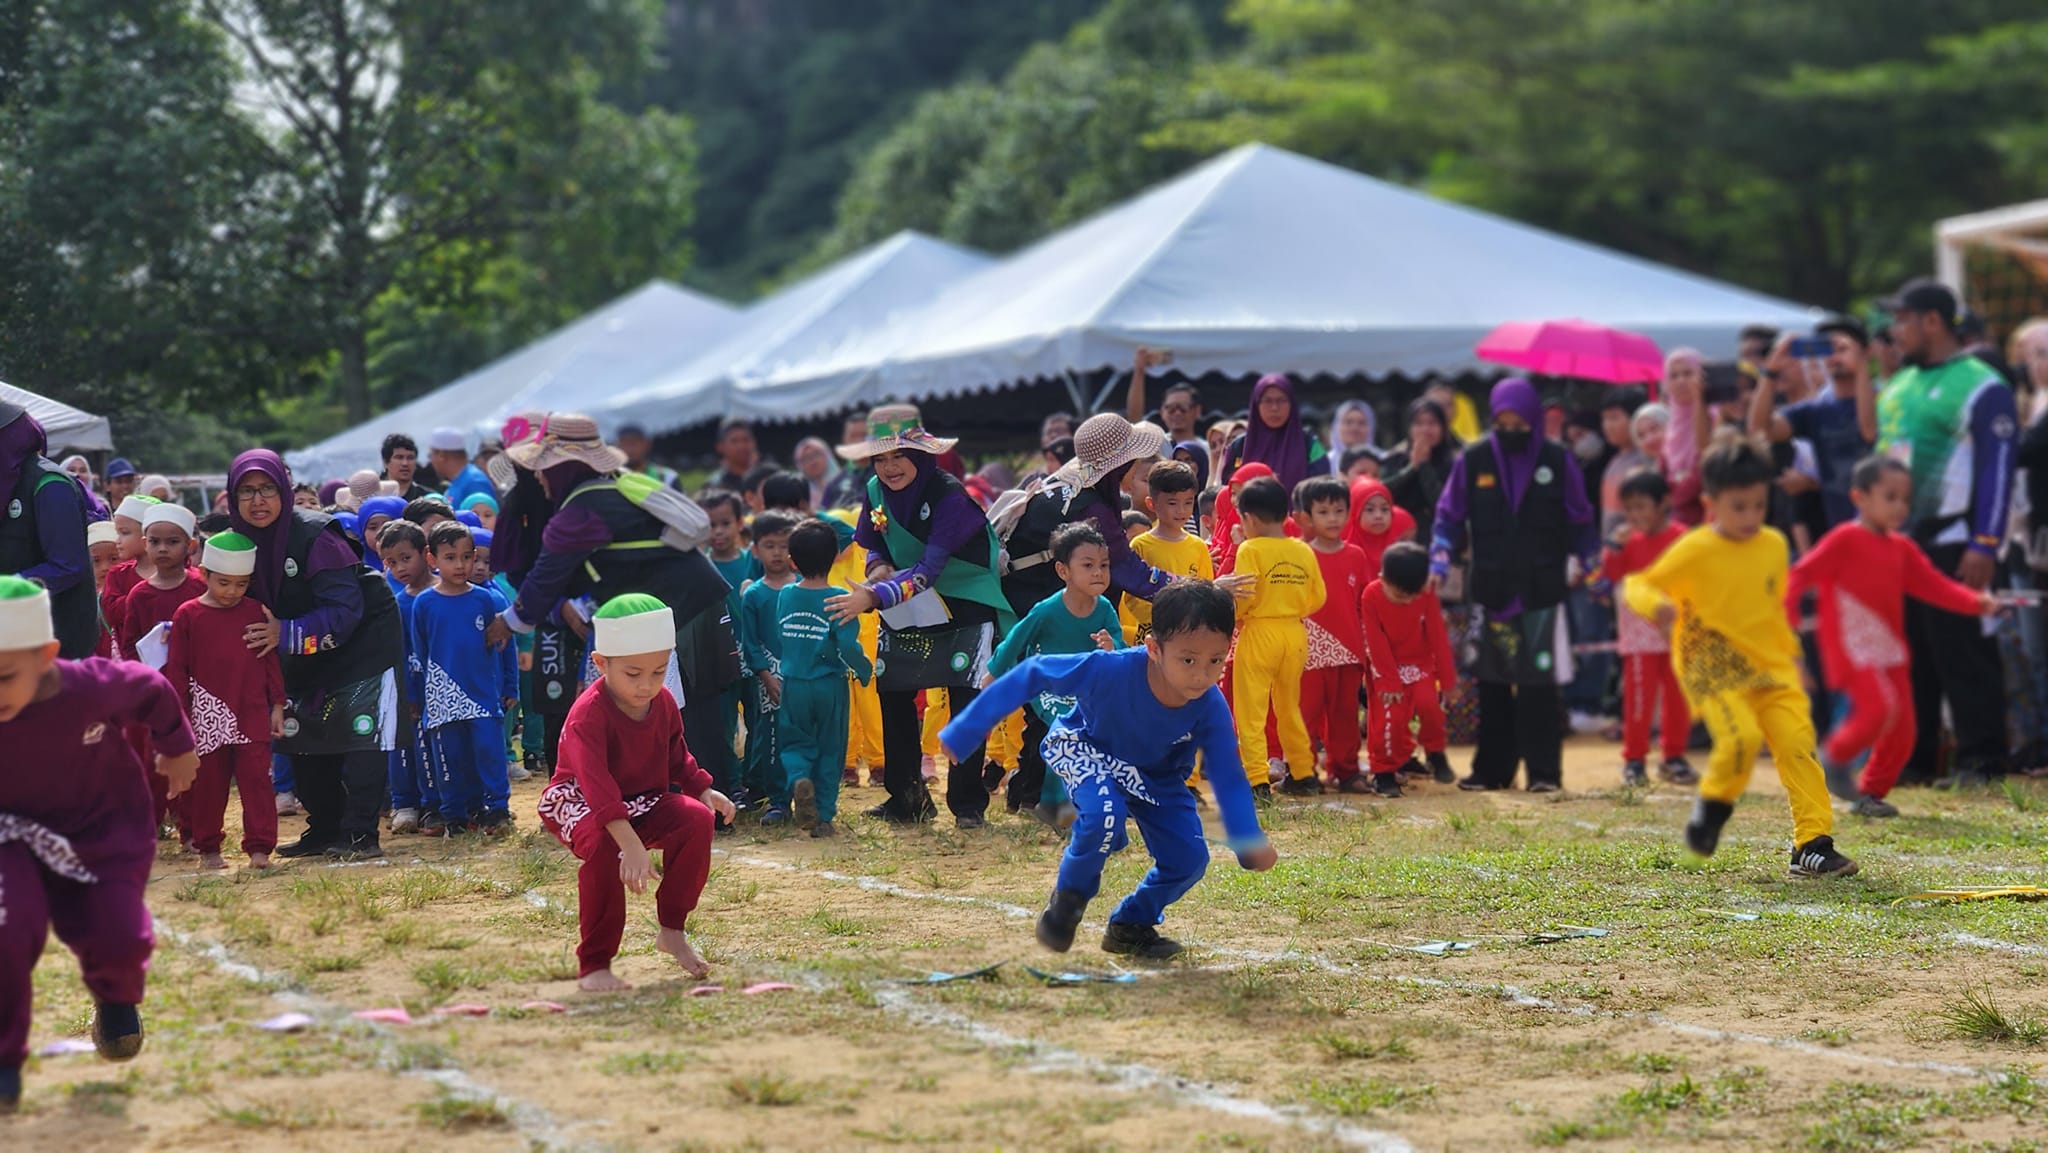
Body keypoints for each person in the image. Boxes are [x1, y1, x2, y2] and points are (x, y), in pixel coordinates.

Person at [939, 581, 1277, 960]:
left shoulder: (1211, 707)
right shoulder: (1109, 668)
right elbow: (1034, 672)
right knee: (1103, 816)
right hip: (1086, 746)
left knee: (1190, 860)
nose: (1202, 674)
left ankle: (1130, 925)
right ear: (1153, 649)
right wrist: (967, 727)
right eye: (1188, 660)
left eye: (1215, 661)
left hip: (1154, 776)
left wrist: (1248, 839)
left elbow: (1228, 776)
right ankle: (1069, 900)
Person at [0, 575, 198, 1110]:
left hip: (100, 827)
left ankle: (116, 999)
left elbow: (152, 688)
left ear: (45, 656)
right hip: (8, 834)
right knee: (6, 932)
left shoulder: (89, 687)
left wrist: (177, 745)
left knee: (117, 932)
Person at [1622, 438, 1858, 878]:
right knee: (1741, 740)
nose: (1751, 517)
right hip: (1712, 666)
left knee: (1798, 742)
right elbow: (1640, 584)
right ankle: (1712, 809)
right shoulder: (1696, 548)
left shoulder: (1772, 544)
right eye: (1739, 507)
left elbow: (1772, 607)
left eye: (1758, 505)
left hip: (1770, 665)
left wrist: (1794, 656)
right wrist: (1657, 607)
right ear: (1711, 504)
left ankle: (1812, 844)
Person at [487, 414, 735, 794]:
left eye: (544, 467)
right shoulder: (613, 490)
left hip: (679, 608)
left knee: (680, 709)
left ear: (565, 467)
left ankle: (696, 801)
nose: (538, 476)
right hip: (692, 600)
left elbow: (544, 581)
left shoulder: (579, 513)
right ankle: (709, 797)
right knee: (692, 708)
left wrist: (508, 622)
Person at [827, 405, 1014, 828]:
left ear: (922, 454)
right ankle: (907, 798)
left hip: (965, 601)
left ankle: (967, 805)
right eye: (881, 457)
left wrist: (875, 596)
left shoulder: (950, 498)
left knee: (965, 702)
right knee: (893, 693)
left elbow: (930, 570)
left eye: (899, 455)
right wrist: (877, 568)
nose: (889, 467)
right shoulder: (875, 491)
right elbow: (873, 542)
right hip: (906, 603)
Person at [536, 595, 734, 991]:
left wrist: (703, 789)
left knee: (695, 819)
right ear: (601, 664)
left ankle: (672, 930)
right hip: (580, 801)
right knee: (606, 851)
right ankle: (594, 966)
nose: (646, 685)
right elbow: (595, 785)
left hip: (639, 798)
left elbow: (677, 754)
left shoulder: (662, 702)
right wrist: (629, 843)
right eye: (633, 674)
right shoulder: (587, 714)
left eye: (659, 672)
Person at [1788, 458, 1997, 817]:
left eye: (1905, 499)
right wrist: (1787, 625)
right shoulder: (1844, 539)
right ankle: (1835, 757)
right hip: (1852, 649)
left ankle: (1868, 793)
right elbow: (1798, 577)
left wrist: (1976, 603)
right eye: (1890, 497)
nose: (1900, 507)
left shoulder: (1902, 548)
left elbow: (1936, 587)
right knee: (1878, 708)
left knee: (1903, 732)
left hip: (1891, 650)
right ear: (1860, 497)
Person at [227, 449, 403, 861]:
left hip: (363, 643)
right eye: (247, 492)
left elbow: (345, 611)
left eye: (268, 489)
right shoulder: (235, 545)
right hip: (296, 647)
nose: (258, 501)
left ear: (285, 491)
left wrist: (284, 633)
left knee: (361, 735)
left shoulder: (316, 533)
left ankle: (361, 834)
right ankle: (324, 829)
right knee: (301, 739)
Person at [1877, 279, 2018, 790]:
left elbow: (1997, 469)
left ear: (1931, 321)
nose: (1894, 332)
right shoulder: (1896, 386)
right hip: (1902, 545)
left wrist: (1985, 542)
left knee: (1965, 656)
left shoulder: (1982, 385)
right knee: (1911, 656)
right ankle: (1916, 761)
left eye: (1902, 320)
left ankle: (1982, 761)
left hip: (1958, 543)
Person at [1432, 378, 1594, 794]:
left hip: (1541, 591)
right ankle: (1492, 771)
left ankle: (1543, 773)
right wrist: (1441, 553)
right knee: (1493, 682)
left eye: (1517, 421)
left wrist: (1593, 564)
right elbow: (1448, 517)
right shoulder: (1475, 459)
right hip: (1493, 589)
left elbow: (1580, 520)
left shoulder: (1558, 461)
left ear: (1533, 420)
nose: (1509, 429)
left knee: (1540, 685)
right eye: (1501, 421)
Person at [987, 523, 1125, 826]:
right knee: (1046, 736)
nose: (1099, 573)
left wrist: (1111, 646)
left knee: (1088, 740)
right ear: (1063, 571)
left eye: (1103, 565)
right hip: (1045, 685)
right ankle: (1026, 793)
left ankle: (1074, 800)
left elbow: (1120, 650)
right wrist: (993, 673)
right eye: (1088, 566)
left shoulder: (1104, 609)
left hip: (1083, 690)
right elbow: (1016, 640)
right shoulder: (1047, 609)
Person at [161, 532, 283, 870]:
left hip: (251, 712)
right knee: (208, 787)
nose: (232, 591)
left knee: (257, 783)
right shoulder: (188, 614)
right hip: (205, 716)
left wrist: (277, 705)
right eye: (224, 583)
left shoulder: (256, 612)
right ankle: (209, 848)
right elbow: (177, 668)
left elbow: (269, 660)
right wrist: (180, 715)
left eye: (241, 584)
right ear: (204, 575)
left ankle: (260, 848)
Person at [412, 523, 519, 834]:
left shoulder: (485, 600)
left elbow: (503, 645)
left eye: (466, 557)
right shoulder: (424, 603)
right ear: (432, 559)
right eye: (450, 557)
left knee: (490, 753)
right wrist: (418, 697)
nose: (460, 565)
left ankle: (497, 810)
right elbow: (420, 654)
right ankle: (455, 816)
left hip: (482, 694)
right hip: (442, 699)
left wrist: (509, 685)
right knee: (450, 757)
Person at [775, 520, 873, 838]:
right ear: (835, 558)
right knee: (831, 748)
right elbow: (846, 645)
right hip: (829, 685)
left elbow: (781, 634)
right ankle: (824, 817)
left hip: (793, 683)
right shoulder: (840, 598)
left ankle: (800, 777)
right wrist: (863, 669)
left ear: (792, 561)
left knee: (794, 741)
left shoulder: (786, 596)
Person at [1231, 476, 1326, 794]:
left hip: (1260, 632)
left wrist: (1237, 616)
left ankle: (1257, 780)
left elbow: (1243, 594)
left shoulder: (1250, 548)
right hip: (1294, 634)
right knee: (1289, 707)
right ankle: (1302, 772)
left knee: (1251, 710)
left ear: (1250, 518)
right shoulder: (1302, 549)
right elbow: (1319, 596)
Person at [1599, 470, 1694, 788]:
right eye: (1629, 509)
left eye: (1642, 506)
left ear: (1663, 503)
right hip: (1640, 633)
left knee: (1678, 698)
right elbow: (1609, 574)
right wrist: (1613, 546)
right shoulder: (1627, 541)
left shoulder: (1681, 536)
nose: (1635, 515)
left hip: (1677, 628)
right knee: (1639, 698)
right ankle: (1635, 759)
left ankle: (1674, 757)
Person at [1750, 319, 1877, 530]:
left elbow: (1869, 432)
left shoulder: (1889, 400)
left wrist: (1861, 367)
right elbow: (1760, 430)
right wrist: (1771, 372)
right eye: (1828, 348)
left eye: (1843, 348)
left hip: (1885, 528)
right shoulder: (1815, 409)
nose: (1835, 356)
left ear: (1866, 352)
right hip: (1837, 530)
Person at [0, 402, 98, 658]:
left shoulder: (49, 483)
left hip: (55, 644)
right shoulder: (4, 483)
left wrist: (9, 588)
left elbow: (67, 565)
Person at [1294, 476, 1372, 793]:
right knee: (1306, 715)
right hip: (1308, 648)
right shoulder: (1300, 553)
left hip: (1349, 649)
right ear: (1307, 516)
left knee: (1345, 716)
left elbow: (1363, 603)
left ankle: (1347, 771)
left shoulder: (1356, 555)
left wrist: (1366, 646)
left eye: (1339, 510)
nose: (1332, 518)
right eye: (1323, 511)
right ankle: (1303, 771)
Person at [1362, 543, 1456, 795]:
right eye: (1401, 595)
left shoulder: (1425, 594)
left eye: (1412, 595)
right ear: (1383, 578)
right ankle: (1383, 772)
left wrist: (1448, 682)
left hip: (1420, 666)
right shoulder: (1371, 595)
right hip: (1386, 669)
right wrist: (1389, 682)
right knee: (1388, 718)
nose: (1408, 601)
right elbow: (1375, 642)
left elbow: (1438, 637)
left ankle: (1435, 754)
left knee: (1431, 708)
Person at [377, 519, 442, 834]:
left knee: (441, 750)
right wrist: (406, 694)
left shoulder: (451, 593)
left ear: (426, 554)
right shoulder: (398, 603)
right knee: (406, 746)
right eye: (391, 562)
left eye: (406, 558)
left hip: (445, 687)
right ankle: (405, 804)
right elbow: (399, 653)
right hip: (412, 690)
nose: (399, 567)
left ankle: (438, 807)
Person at [739, 511, 799, 823]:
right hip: (769, 682)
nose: (778, 552)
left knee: (803, 737)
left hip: (802, 677)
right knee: (773, 740)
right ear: (756, 550)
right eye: (769, 545)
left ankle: (806, 796)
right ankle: (778, 801)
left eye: (785, 545)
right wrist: (765, 675)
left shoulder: (805, 588)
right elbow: (750, 642)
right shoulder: (754, 595)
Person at [1120, 462, 1211, 646]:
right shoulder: (1140, 545)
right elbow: (1131, 597)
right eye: (1172, 503)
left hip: (1189, 632)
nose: (1181, 510)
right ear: (1151, 504)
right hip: (1151, 632)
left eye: (1188, 502)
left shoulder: (1198, 546)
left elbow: (1206, 589)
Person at [1216, 373, 1326, 492]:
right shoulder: (1238, 447)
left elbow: (1322, 488)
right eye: (1267, 401)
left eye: (1281, 400)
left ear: (1292, 404)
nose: (1274, 408)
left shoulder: (1310, 445)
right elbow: (1228, 492)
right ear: (1256, 404)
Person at [1383, 398, 1458, 550]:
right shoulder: (1394, 459)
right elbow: (1383, 493)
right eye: (1418, 423)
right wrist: (1412, 467)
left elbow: (1442, 504)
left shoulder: (1454, 464)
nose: (1425, 429)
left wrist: (1423, 466)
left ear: (1443, 428)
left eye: (1432, 423)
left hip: (1440, 544)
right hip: (1399, 544)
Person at [793, 436, 856, 510]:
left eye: (816, 454)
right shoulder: (800, 494)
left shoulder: (849, 482)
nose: (812, 461)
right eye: (805, 458)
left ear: (827, 454)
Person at [615, 423, 679, 488]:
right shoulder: (611, 478)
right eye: (625, 443)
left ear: (647, 444)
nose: (630, 449)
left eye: (634, 443)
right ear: (617, 446)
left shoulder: (666, 477)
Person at [710, 417, 763, 493]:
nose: (741, 446)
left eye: (746, 439)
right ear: (720, 447)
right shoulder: (715, 486)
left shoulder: (766, 480)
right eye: (734, 441)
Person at [1326, 400, 1377, 475]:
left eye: (1361, 423)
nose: (1355, 428)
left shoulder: (1381, 459)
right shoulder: (1326, 463)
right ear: (1336, 427)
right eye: (1348, 422)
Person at [1425, 379, 1483, 445]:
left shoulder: (1467, 450)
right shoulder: (1413, 450)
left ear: (1455, 410)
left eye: (1448, 405)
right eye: (1436, 405)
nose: (1442, 410)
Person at [380, 433, 433, 501]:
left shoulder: (427, 498)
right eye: (399, 457)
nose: (405, 463)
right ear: (385, 462)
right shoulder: (373, 494)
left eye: (410, 458)